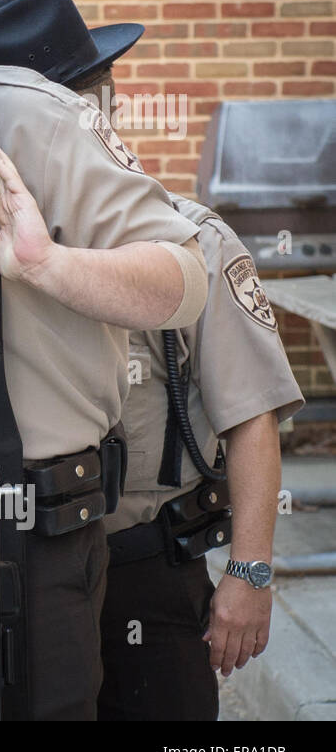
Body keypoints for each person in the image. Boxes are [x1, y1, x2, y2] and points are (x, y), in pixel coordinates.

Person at [0, 0, 209, 720]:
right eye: (98, 89)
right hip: (28, 514)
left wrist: (50, 264)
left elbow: (186, 280)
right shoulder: (46, 122)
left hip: (83, 516)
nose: (107, 108)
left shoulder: (32, 125)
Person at [96, 192, 303, 720]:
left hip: (143, 565)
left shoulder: (193, 237)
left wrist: (249, 571)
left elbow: (252, 414)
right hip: (12, 565)